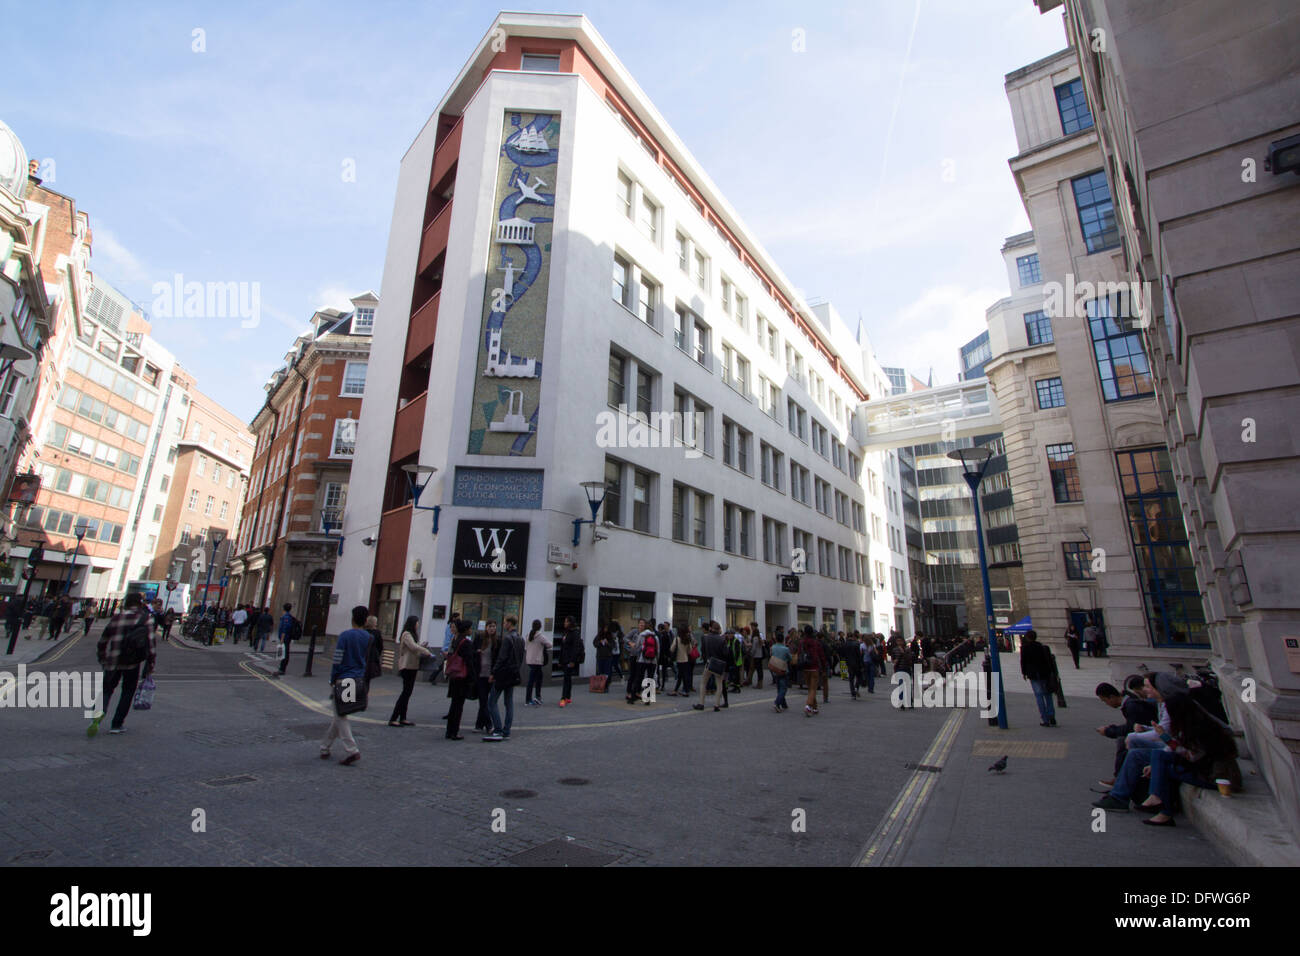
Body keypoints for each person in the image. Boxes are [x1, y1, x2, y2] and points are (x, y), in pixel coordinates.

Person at [89, 592, 157, 737]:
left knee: (106, 690)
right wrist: (151, 663)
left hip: (113, 661)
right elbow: (151, 645)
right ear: (141, 603)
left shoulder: (117, 617)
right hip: (132, 663)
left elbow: (103, 641)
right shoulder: (146, 619)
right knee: (127, 692)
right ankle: (117, 724)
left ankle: (96, 716)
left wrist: (102, 658)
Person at [320, 605, 372, 765]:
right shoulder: (369, 638)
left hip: (343, 679)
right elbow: (368, 659)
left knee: (340, 715)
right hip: (358, 679)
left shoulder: (345, 636)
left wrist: (332, 678)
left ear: (352, 618)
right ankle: (324, 747)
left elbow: (337, 659)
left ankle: (352, 749)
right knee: (339, 714)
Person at [1095, 678, 1158, 786]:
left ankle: (1119, 779)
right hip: (1149, 731)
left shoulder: (1131, 705)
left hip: (1151, 734)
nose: (1106, 704)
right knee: (1123, 741)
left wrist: (1109, 731)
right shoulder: (1130, 702)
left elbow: (1131, 728)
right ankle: (1119, 779)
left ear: (1112, 697)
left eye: (1105, 701)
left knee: (1124, 743)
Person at [485, 616, 526, 741]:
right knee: (509, 703)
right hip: (513, 674)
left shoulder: (507, 638)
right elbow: (521, 657)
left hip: (503, 674)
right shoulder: (520, 638)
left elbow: (501, 658)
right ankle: (506, 730)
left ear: (509, 623)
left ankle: (498, 729)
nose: (503, 625)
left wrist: (493, 673)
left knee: (492, 702)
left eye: (504, 623)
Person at [389, 615, 431, 726]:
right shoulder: (406, 634)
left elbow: (414, 647)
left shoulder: (411, 635)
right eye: (417, 622)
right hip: (407, 666)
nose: (418, 624)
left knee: (407, 692)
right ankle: (394, 718)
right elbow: (412, 647)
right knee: (406, 692)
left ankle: (403, 717)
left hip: (412, 666)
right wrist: (425, 650)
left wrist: (421, 646)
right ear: (413, 623)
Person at [444, 620, 476, 740]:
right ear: (466, 630)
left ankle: (449, 730)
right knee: (459, 705)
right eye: (470, 628)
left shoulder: (455, 640)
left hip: (454, 675)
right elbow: (469, 662)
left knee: (454, 704)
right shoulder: (466, 643)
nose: (471, 630)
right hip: (462, 677)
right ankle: (454, 731)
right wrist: (472, 678)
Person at [1019, 629, 1057, 727]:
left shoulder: (1025, 648)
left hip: (1034, 674)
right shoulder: (1042, 647)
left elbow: (1023, 661)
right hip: (1045, 673)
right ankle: (1051, 715)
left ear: (1027, 638)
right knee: (1048, 695)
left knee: (1039, 696)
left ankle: (1045, 719)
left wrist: (1024, 673)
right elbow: (1049, 661)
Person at [693, 624, 729, 712]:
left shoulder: (706, 638)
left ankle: (701, 703)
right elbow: (726, 653)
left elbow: (703, 651)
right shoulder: (722, 639)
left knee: (703, 682)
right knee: (719, 684)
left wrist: (706, 659)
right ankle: (716, 705)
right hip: (719, 663)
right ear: (719, 629)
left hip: (709, 662)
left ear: (711, 629)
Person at [473, 621, 498, 731]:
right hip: (480, 674)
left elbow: (497, 658)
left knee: (484, 701)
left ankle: (479, 725)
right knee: (483, 700)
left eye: (494, 626)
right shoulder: (479, 638)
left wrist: (494, 673)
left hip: (490, 675)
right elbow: (472, 652)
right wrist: (476, 652)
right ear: (486, 627)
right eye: (490, 626)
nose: (492, 628)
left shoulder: (497, 641)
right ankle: (489, 725)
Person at [800, 626, 827, 716]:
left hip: (805, 667)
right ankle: (808, 705)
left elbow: (800, 653)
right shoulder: (816, 643)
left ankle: (814, 707)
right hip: (814, 667)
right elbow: (822, 656)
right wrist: (824, 668)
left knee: (810, 688)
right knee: (813, 688)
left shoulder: (802, 642)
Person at [768, 631, 792, 712]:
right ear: (783, 640)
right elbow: (790, 658)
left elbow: (771, 655)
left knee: (779, 687)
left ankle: (784, 704)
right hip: (783, 669)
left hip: (774, 669)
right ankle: (777, 703)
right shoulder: (786, 649)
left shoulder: (773, 647)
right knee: (783, 688)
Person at [670, 624, 694, 696]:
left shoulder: (677, 639)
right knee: (684, 675)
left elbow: (672, 649)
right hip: (686, 659)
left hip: (679, 659)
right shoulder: (687, 639)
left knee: (680, 675)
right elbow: (690, 651)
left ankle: (678, 690)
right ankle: (684, 690)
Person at [278, 603, 301, 675]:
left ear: (283, 608)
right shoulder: (288, 616)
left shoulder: (286, 617)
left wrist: (282, 638)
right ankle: (281, 668)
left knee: (284, 653)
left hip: (285, 638)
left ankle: (282, 669)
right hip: (286, 638)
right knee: (284, 652)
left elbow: (285, 628)